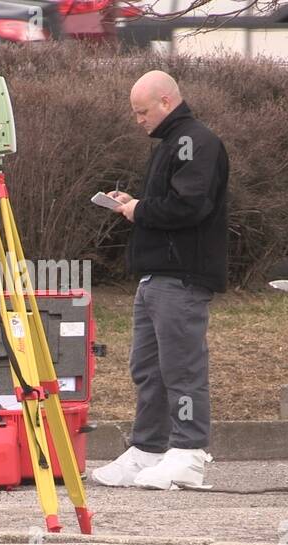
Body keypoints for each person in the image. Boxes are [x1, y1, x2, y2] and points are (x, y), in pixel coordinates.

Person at [92, 70, 229, 490]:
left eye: (142, 111)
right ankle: (149, 448)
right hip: (156, 276)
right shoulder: (172, 143)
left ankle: (189, 451)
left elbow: (189, 205)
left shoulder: (194, 142)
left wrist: (140, 210)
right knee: (149, 368)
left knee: (181, 368)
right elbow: (174, 201)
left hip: (181, 276)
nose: (138, 120)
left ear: (166, 102)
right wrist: (135, 204)